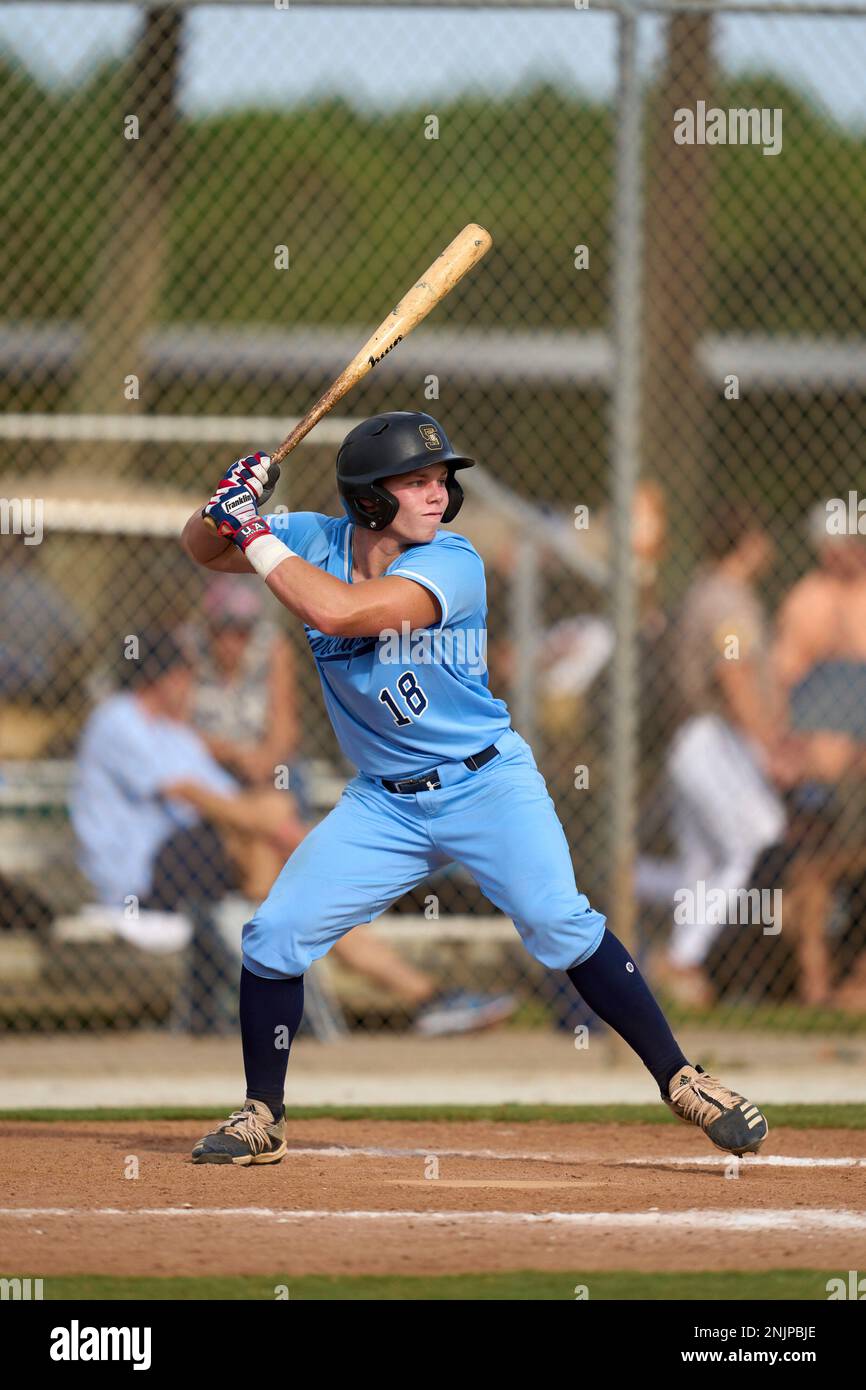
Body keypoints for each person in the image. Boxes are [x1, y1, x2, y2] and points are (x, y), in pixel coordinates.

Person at [180, 413, 768, 1166]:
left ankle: (682, 1077)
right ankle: (261, 1113)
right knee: (273, 937)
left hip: (485, 784)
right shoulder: (312, 539)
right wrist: (223, 507)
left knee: (559, 922)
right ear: (367, 500)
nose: (438, 494)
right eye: (417, 482)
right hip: (384, 802)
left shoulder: (452, 561)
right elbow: (202, 549)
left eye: (440, 480)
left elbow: (338, 611)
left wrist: (251, 531)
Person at [637, 506, 790, 1007]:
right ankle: (679, 958)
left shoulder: (700, 588)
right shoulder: (727, 598)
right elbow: (733, 670)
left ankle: (635, 889)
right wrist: (768, 742)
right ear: (745, 543)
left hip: (691, 739)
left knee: (701, 865)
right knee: (753, 841)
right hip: (713, 738)